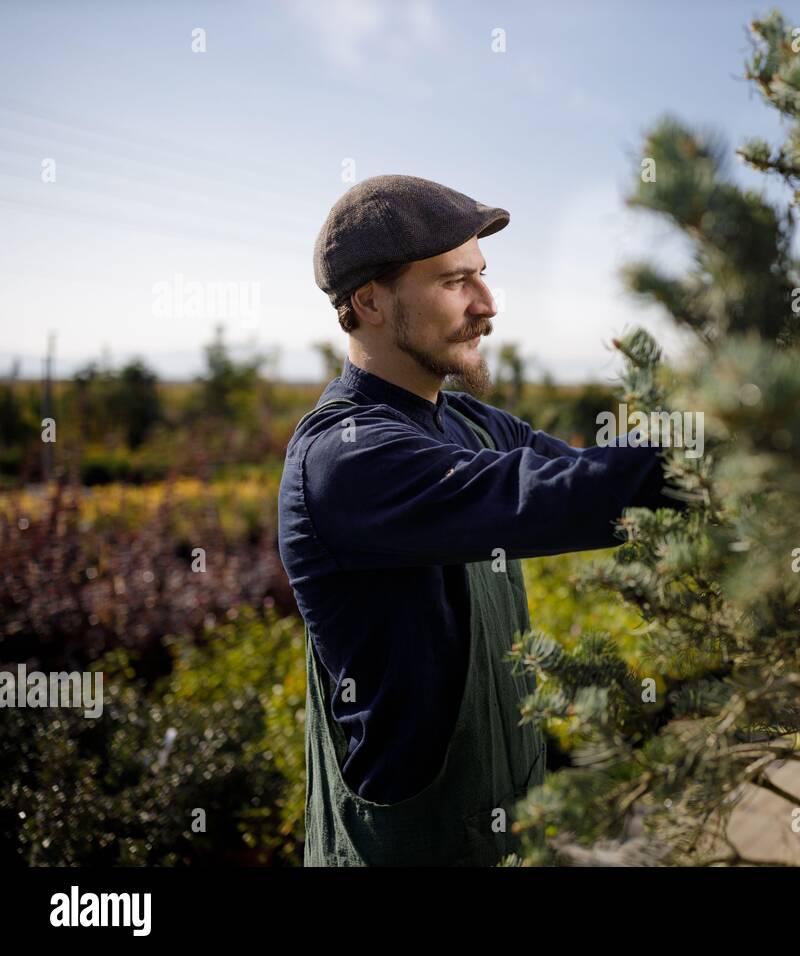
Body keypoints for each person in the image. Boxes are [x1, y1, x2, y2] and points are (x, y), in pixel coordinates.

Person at [278, 174, 681, 865]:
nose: (488, 305)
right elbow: (548, 497)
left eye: (482, 277)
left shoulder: (467, 422)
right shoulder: (345, 459)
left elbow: (588, 477)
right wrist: (754, 441)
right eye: (454, 282)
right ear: (369, 301)